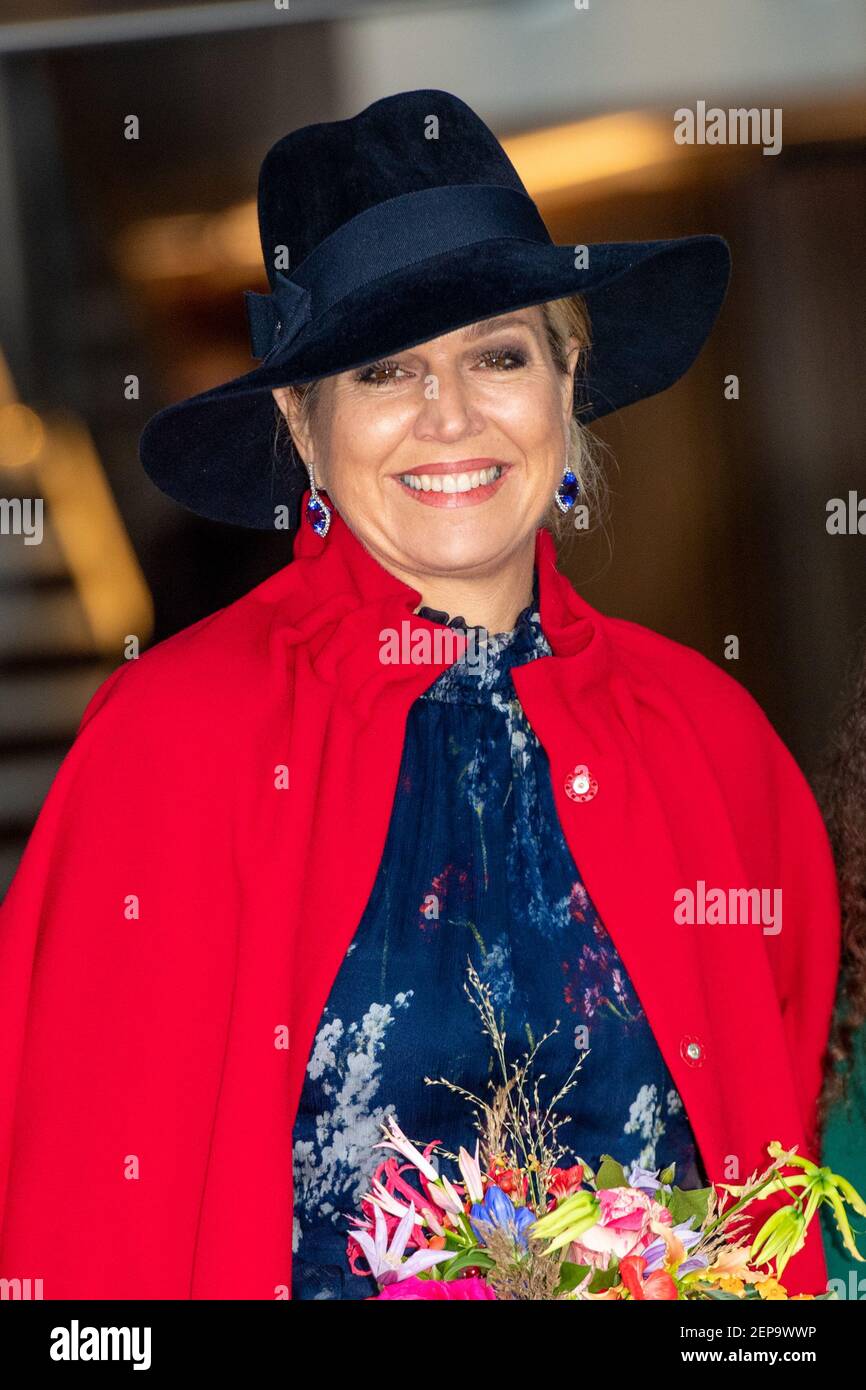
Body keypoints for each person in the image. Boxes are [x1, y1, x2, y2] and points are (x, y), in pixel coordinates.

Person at [0, 88, 839, 1299]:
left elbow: (769, 1182)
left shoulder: (710, 740)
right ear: (302, 420)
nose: (449, 416)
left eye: (497, 354)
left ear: (565, 378)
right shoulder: (173, 738)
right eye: (385, 371)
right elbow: (84, 1227)